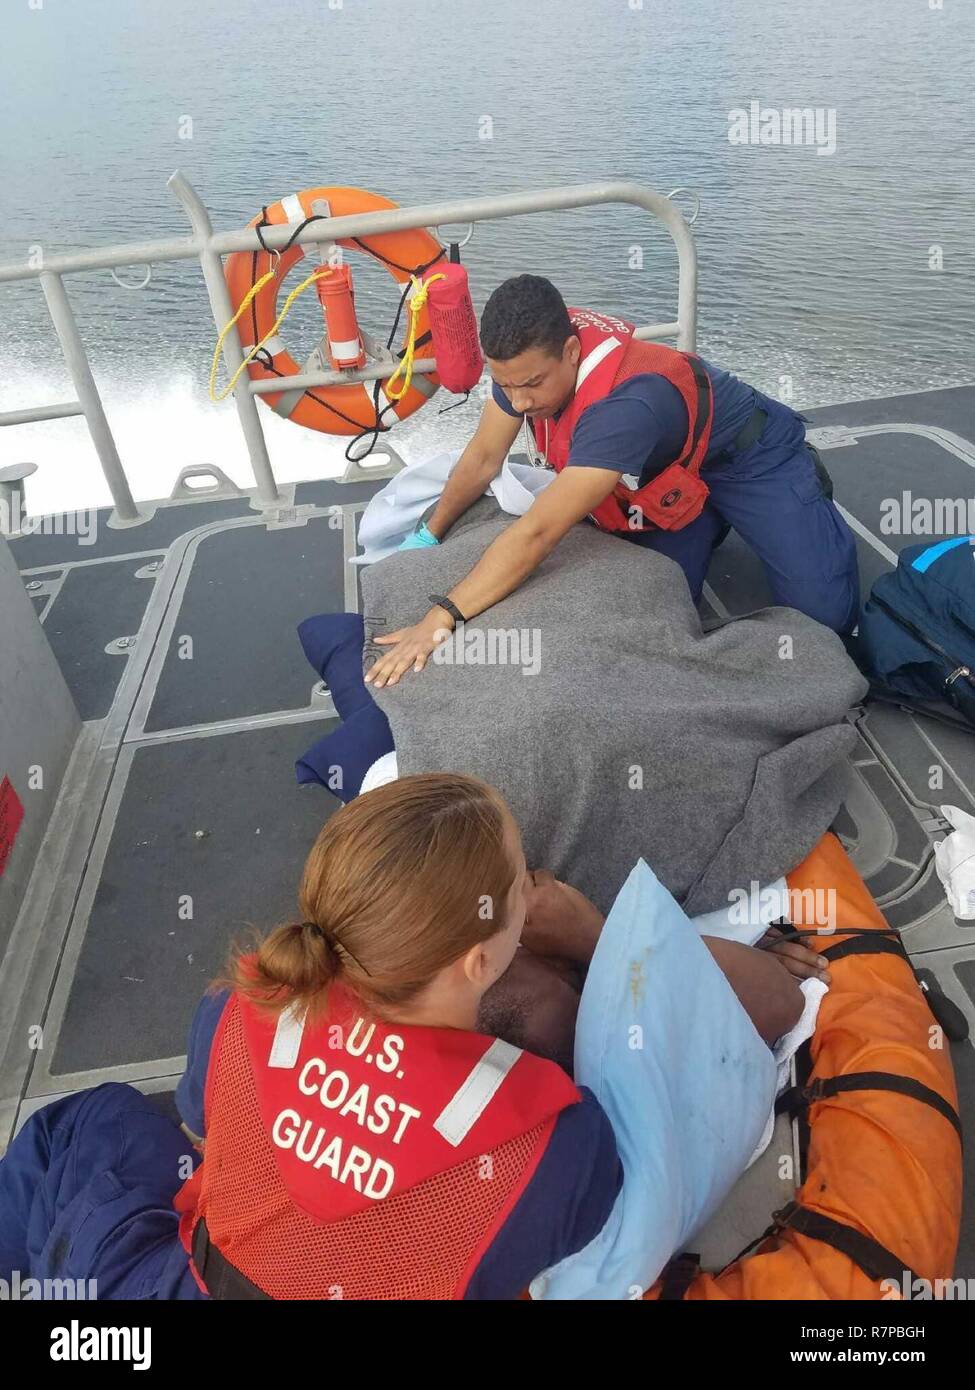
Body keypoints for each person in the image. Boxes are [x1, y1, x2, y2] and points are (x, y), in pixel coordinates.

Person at [0, 775, 825, 1300]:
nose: (534, 885)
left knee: (89, 1118)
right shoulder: (559, 1148)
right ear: (479, 959)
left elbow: (210, 1120)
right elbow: (766, 1006)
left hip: (168, 1281)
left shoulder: (238, 1008)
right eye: (521, 883)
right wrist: (592, 933)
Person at [365, 275, 860, 689]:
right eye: (506, 384)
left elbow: (538, 531)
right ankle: (710, 516)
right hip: (669, 473)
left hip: (752, 457)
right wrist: (430, 532)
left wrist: (443, 616)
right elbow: (481, 459)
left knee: (825, 623)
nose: (517, 402)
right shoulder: (521, 362)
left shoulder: (624, 408)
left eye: (532, 385)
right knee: (652, 609)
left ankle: (799, 489)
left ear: (572, 351)